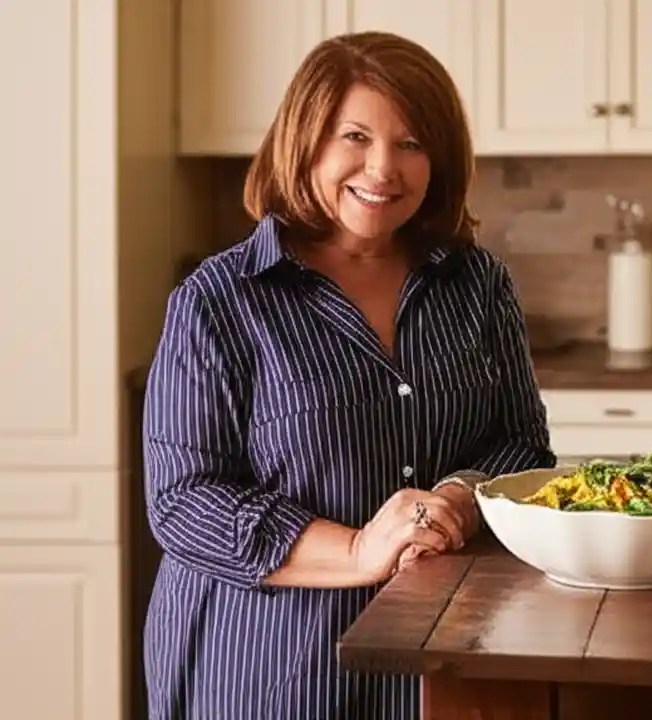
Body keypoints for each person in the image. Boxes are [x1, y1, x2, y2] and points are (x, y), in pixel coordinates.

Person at [142, 31, 556, 719]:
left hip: (442, 659)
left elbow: (521, 447)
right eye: (355, 136)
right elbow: (185, 503)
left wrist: (456, 497)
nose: (383, 168)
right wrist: (362, 549)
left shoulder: (478, 283)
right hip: (267, 667)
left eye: (412, 143)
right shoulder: (219, 299)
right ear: (305, 140)